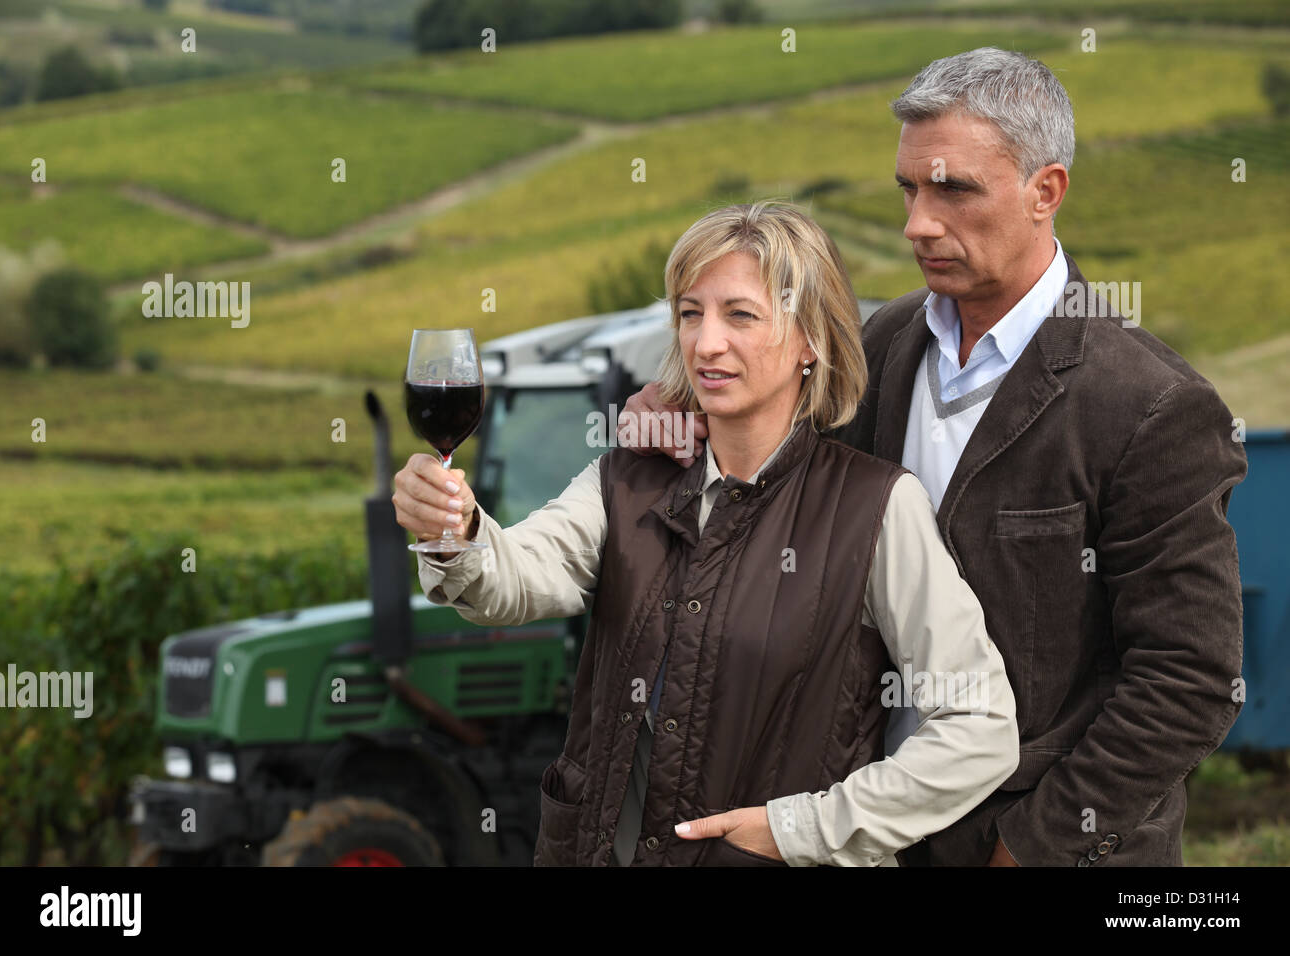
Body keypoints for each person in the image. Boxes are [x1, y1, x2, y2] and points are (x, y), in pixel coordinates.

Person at [623, 49, 1247, 866]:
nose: (918, 221)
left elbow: (1187, 680)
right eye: (909, 189)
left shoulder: (1150, 405)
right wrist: (680, 417)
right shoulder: (881, 345)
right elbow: (782, 488)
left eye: (953, 189)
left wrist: (1028, 848)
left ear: (1044, 191)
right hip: (870, 831)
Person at [392, 200, 1019, 866]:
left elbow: (980, 729)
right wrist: (454, 530)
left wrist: (801, 829)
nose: (706, 342)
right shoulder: (625, 481)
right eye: (691, 313)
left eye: (740, 315)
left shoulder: (878, 508)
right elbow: (508, 581)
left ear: (811, 339)